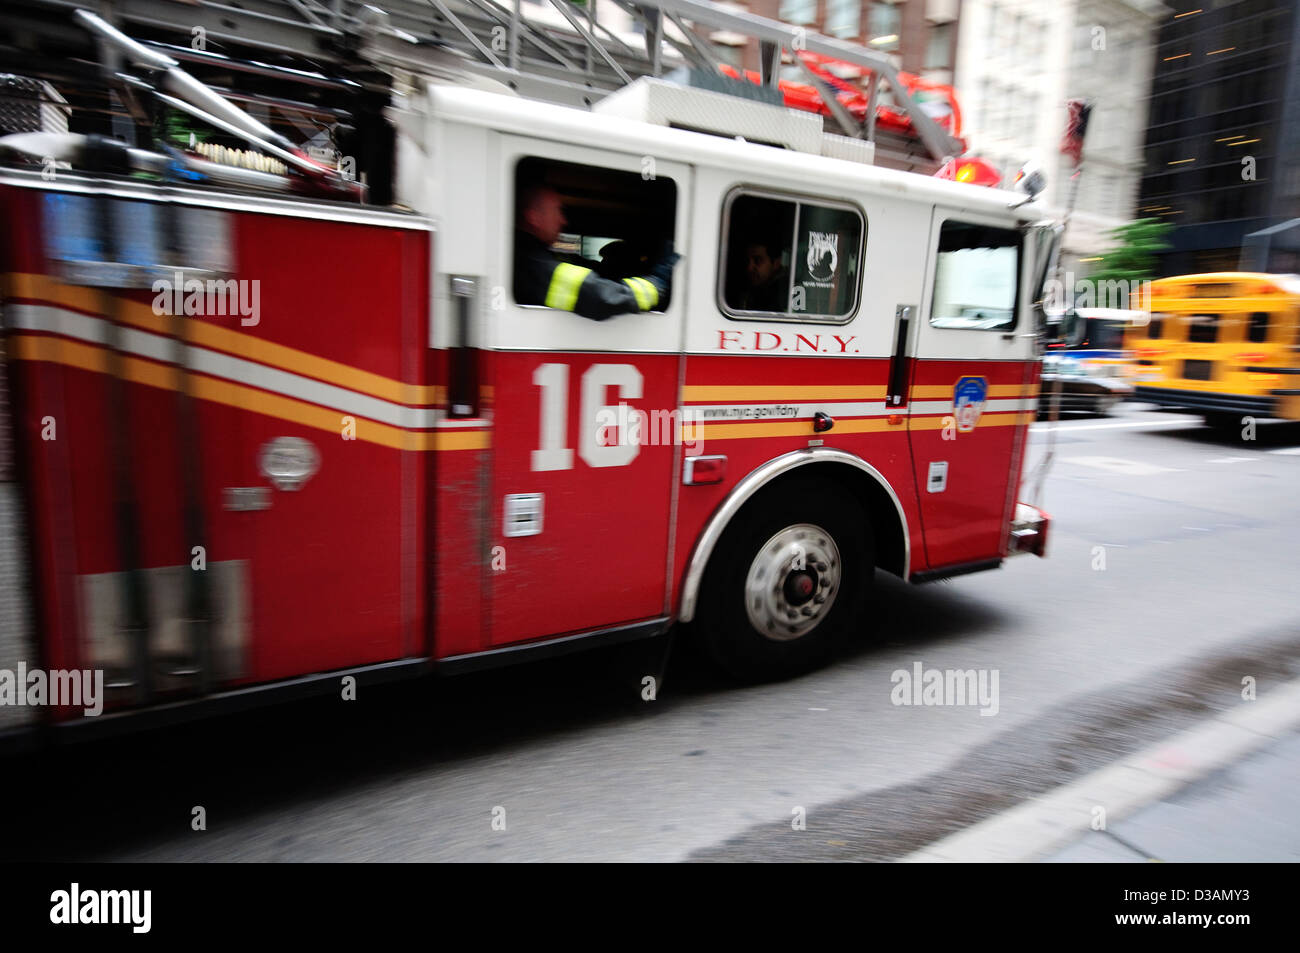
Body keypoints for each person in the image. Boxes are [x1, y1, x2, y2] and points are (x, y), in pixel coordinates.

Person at [513, 185, 678, 321]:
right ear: (534, 217)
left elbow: (583, 269)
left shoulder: (531, 253)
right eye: (558, 210)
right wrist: (656, 284)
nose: (563, 220)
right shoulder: (529, 261)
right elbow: (601, 297)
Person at [737, 237, 789, 312]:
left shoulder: (783, 294)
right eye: (747, 261)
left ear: (776, 263)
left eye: (757, 260)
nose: (749, 268)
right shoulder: (752, 290)